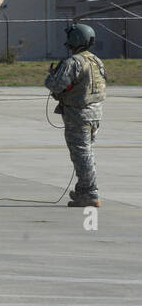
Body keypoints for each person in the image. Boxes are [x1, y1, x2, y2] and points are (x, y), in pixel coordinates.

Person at [44, 23, 107, 207]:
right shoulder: (96, 61)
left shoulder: (73, 62)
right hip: (95, 114)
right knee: (87, 153)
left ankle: (89, 192)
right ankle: (84, 190)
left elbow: (55, 85)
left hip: (78, 115)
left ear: (75, 40)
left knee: (82, 154)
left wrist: (52, 75)